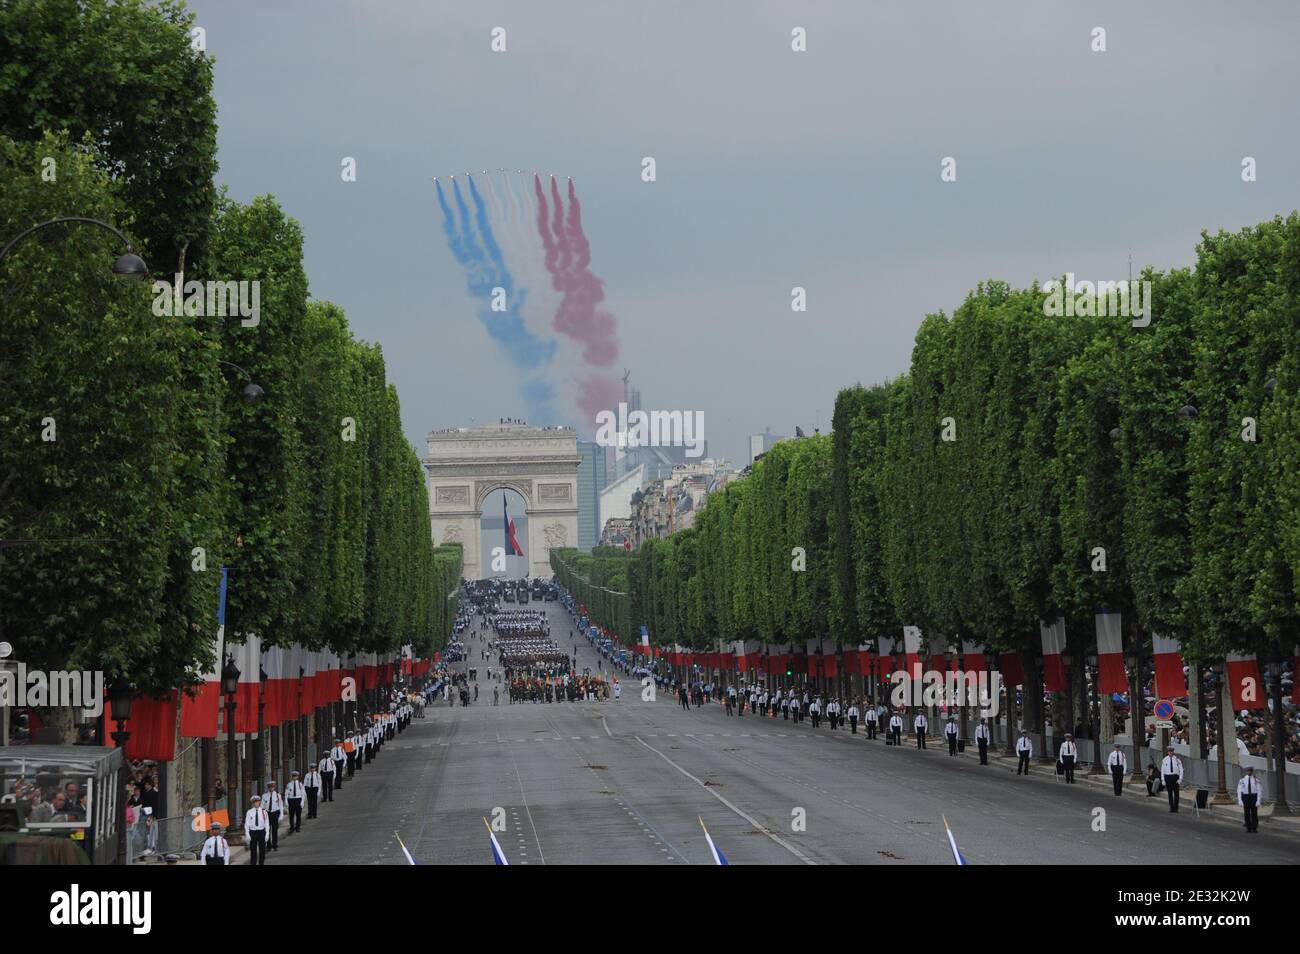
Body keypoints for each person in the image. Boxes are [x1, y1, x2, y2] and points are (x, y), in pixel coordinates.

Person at [244, 794, 270, 865]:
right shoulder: (249, 812)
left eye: (257, 801)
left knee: (262, 850)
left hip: (261, 831)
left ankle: (261, 863)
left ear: (260, 802)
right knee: (253, 850)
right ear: (252, 803)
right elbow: (247, 824)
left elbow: (266, 824)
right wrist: (247, 834)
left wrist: (267, 834)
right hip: (253, 832)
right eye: (254, 802)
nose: (256, 803)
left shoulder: (264, 812)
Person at [1160, 746, 1184, 812]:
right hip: (1168, 777)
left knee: (1176, 793)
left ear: (1173, 752)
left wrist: (1180, 779)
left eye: (1171, 751)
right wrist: (1163, 780)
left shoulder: (1177, 759)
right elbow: (1162, 770)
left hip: (1175, 777)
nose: (1170, 753)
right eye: (1169, 751)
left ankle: (1176, 808)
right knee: (1170, 793)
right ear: (1168, 752)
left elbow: (1181, 769)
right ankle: (1171, 807)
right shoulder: (1164, 760)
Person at [1237, 766, 1261, 832]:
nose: (1249, 772)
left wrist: (1258, 800)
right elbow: (1239, 790)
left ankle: (1254, 827)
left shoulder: (1256, 780)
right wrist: (1240, 800)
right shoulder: (1242, 780)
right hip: (1246, 797)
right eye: (1248, 770)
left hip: (1253, 796)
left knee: (1254, 813)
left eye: (1250, 770)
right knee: (1246, 813)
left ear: (1252, 771)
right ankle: (1248, 827)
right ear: (1246, 771)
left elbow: (1259, 790)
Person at [264, 780, 284, 851]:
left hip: (275, 813)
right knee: (267, 830)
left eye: (272, 787)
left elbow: (280, 805)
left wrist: (281, 815)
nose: (271, 788)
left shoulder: (278, 795)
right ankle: (268, 845)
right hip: (267, 814)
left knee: (274, 830)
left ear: (274, 787)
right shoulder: (264, 796)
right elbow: (262, 807)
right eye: (270, 787)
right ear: (268, 787)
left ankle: (275, 844)